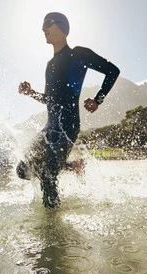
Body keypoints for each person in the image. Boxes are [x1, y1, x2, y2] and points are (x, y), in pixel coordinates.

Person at [17, 12, 120, 209]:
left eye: (47, 23)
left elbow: (113, 71)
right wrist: (31, 93)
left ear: (62, 28)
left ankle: (53, 230)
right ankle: (72, 166)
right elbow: (49, 99)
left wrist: (98, 99)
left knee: (48, 175)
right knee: (23, 170)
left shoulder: (78, 55)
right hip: (49, 128)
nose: (43, 29)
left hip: (67, 126)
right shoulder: (50, 65)